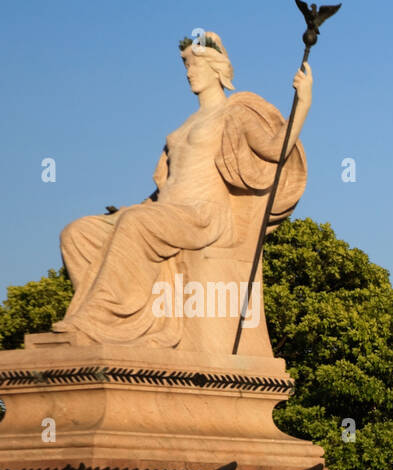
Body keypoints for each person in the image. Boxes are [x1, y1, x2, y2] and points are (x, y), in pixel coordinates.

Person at [53, 32, 311, 347]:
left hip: (203, 215)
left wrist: (303, 103)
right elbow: (168, 184)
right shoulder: (187, 123)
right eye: (186, 66)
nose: (189, 72)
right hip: (163, 211)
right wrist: (133, 208)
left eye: (196, 65)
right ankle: (124, 326)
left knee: (135, 224)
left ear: (217, 69)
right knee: (77, 233)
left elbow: (275, 149)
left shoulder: (235, 113)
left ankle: (98, 320)